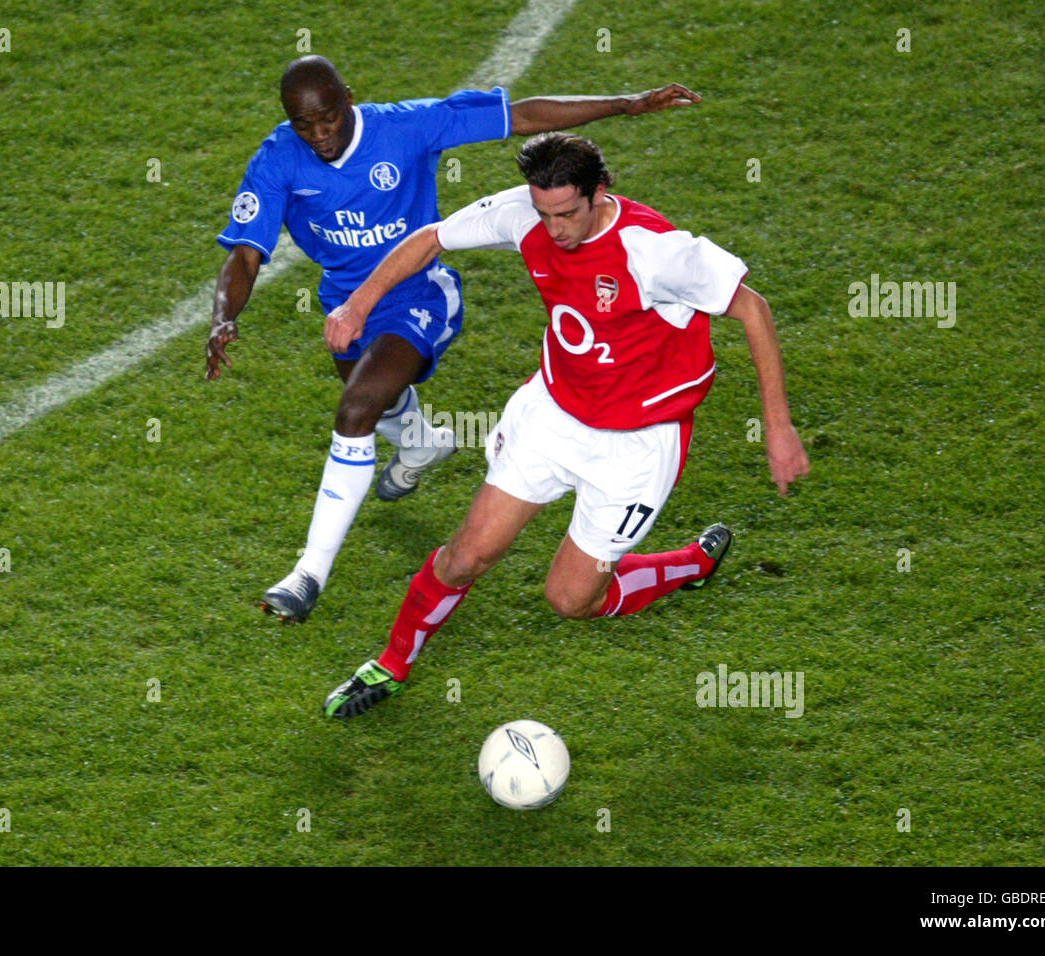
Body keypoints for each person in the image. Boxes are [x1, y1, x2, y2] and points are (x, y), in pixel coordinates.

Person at [321, 132, 810, 718]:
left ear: (600, 192)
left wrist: (777, 428)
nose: (554, 230)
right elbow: (430, 239)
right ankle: (392, 663)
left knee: (572, 599)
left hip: (637, 445)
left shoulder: (653, 250)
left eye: (567, 213)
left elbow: (752, 307)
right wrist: (359, 304)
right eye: (543, 212)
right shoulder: (526, 212)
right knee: (465, 558)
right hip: (553, 415)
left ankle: (690, 564)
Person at [207, 55, 702, 622]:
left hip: (418, 294)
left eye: (329, 119)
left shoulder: (406, 126)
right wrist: (224, 316)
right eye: (305, 125)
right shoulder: (277, 158)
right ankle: (421, 442)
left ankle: (307, 574)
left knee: (357, 409)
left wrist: (627, 103)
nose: (319, 135)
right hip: (345, 304)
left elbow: (519, 117)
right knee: (380, 401)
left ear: (349, 97)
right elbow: (245, 253)